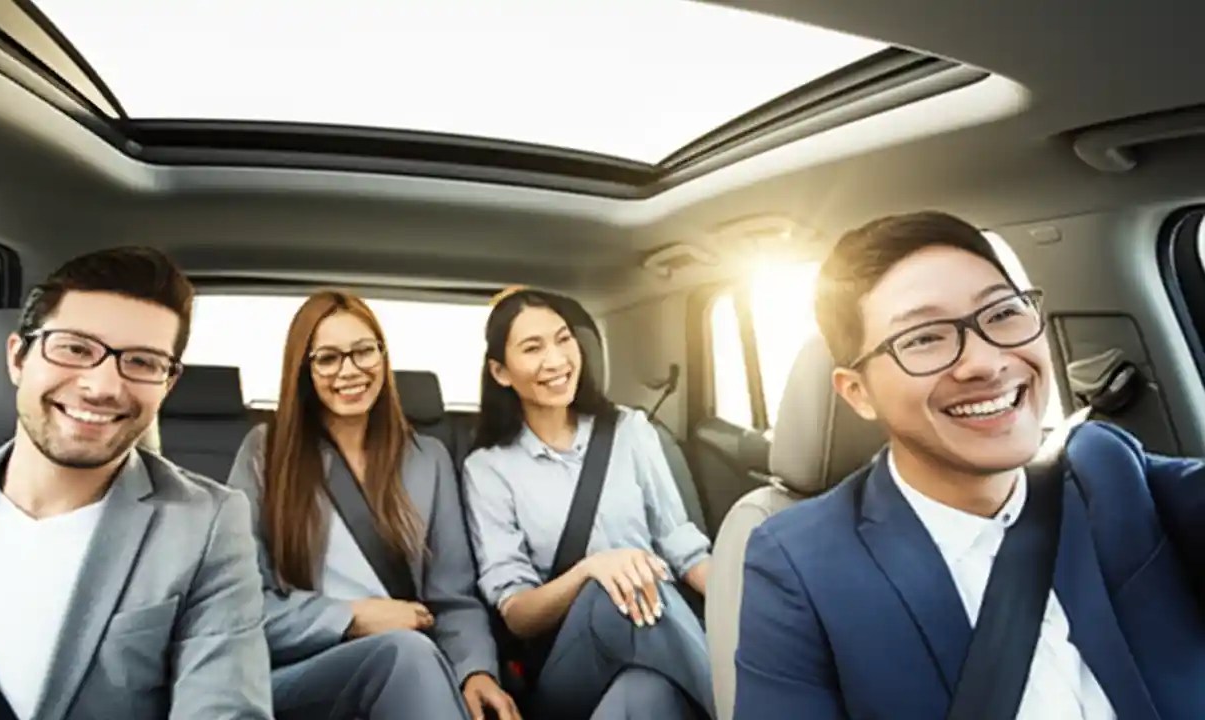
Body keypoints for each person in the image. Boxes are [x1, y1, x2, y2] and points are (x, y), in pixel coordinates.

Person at [734, 211, 1205, 719]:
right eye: (923, 338)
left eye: (1002, 314)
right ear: (858, 392)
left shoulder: (1106, 469)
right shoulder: (800, 564)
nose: (985, 362)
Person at [0, 247, 271, 719]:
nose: (103, 387)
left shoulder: (205, 526)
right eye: (75, 348)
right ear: (18, 358)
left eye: (143, 362)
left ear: (167, 385)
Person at [228, 289, 519, 720]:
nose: (350, 370)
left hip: (411, 664)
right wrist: (351, 618)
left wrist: (475, 670)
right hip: (299, 670)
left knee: (415, 656)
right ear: (303, 370)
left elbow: (452, 597)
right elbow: (239, 603)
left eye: (364, 351)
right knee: (406, 652)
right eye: (328, 358)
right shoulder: (266, 455)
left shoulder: (428, 459)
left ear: (383, 356)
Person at [464, 288, 714, 720]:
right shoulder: (488, 469)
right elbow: (518, 613)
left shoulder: (630, 430)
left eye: (563, 339)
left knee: (646, 694)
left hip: (656, 634)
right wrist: (591, 570)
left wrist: (752, 602)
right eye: (533, 348)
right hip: (565, 665)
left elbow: (682, 547)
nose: (556, 360)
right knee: (618, 587)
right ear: (500, 372)